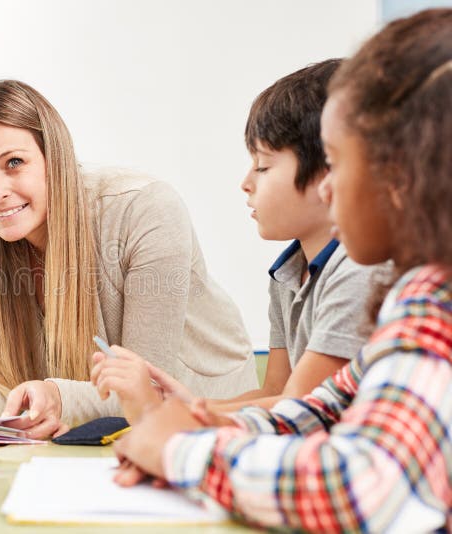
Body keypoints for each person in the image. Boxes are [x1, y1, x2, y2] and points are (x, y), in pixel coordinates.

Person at [112, 8, 452, 531]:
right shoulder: (412, 293)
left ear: (403, 174)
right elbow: (317, 410)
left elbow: (363, 489)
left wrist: (186, 452)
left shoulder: (438, 306)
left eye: (337, 164)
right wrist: (194, 429)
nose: (329, 188)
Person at [0, 79, 258, 438]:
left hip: (210, 429)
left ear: (54, 158)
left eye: (14, 162)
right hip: (98, 437)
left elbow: (145, 388)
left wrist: (57, 397)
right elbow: (27, 390)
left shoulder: (145, 209)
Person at [91, 59, 387, 423]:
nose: (246, 182)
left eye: (262, 166)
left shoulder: (357, 271)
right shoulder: (288, 274)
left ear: (329, 170)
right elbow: (274, 395)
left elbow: (298, 407)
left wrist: (173, 414)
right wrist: (183, 407)